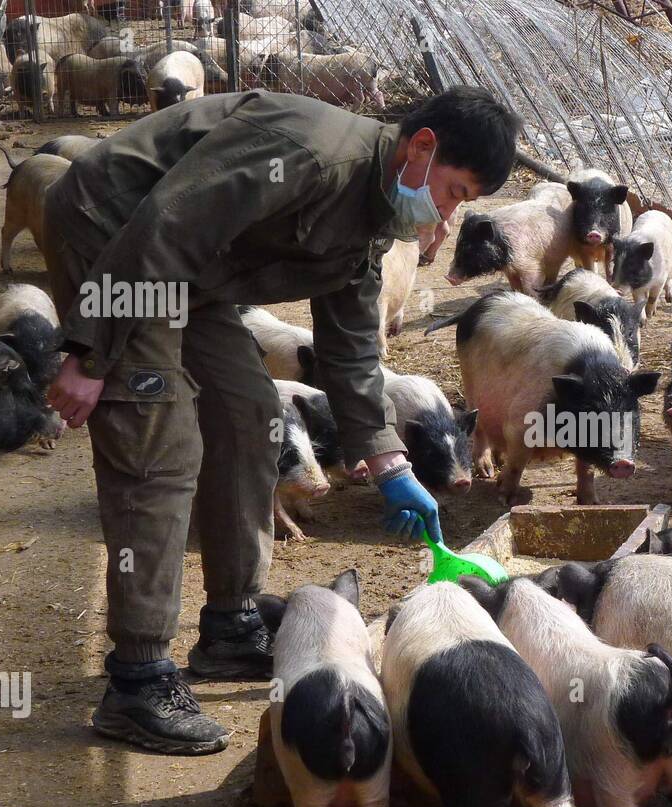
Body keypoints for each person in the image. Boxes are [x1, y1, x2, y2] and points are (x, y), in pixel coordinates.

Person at [39, 85, 523, 755]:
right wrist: (91, 351)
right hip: (118, 240)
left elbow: (351, 348)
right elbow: (171, 221)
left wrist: (388, 463)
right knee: (160, 440)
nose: (446, 213)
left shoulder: (374, 214)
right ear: (422, 147)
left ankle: (232, 624)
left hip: (196, 276)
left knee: (250, 415)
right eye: (454, 190)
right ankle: (137, 678)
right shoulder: (311, 152)